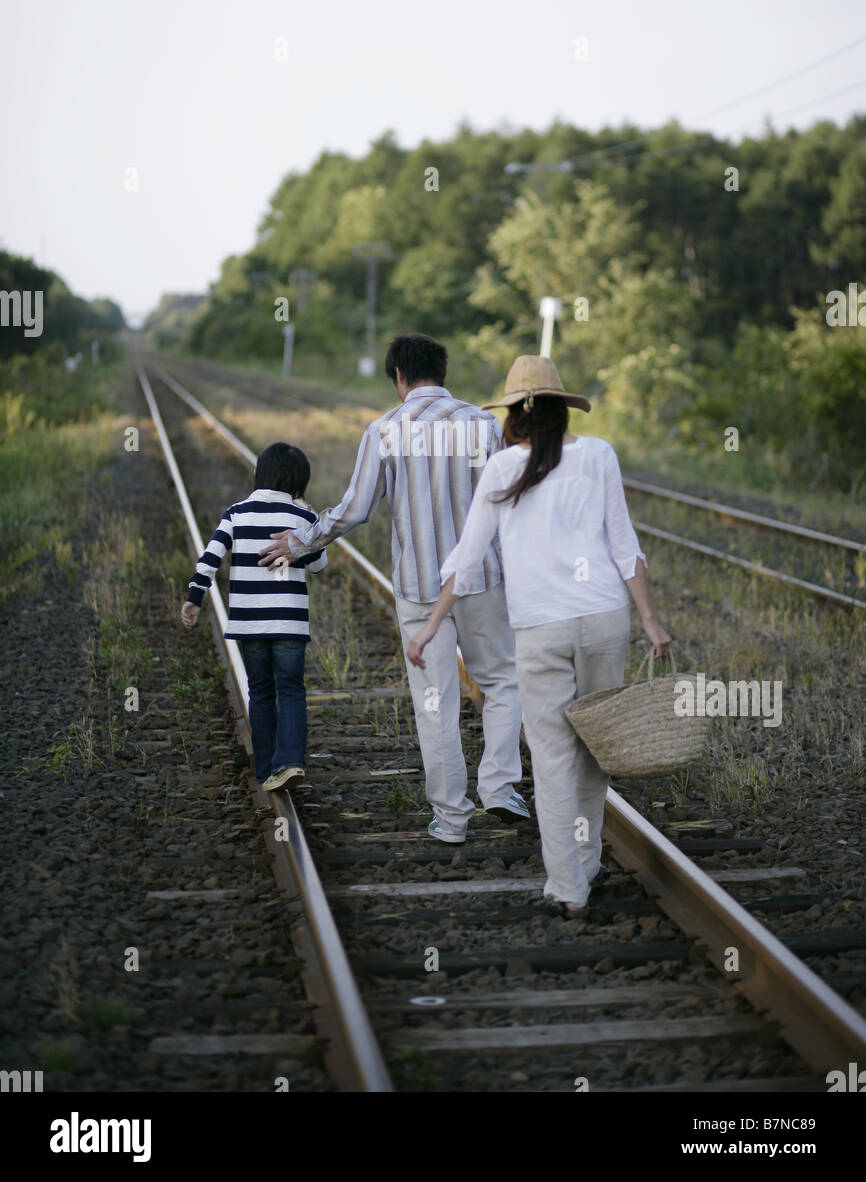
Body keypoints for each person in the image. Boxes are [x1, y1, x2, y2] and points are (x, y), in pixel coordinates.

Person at [406, 355, 671, 915]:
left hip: (541, 629)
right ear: (560, 410)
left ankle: (568, 887)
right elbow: (626, 548)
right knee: (596, 748)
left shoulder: (502, 470)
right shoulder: (598, 455)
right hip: (604, 619)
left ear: (514, 417)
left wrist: (432, 625)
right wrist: (650, 620)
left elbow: (467, 558)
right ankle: (588, 859)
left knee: (551, 757)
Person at [258, 332, 527, 844]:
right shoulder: (484, 424)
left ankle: (451, 820)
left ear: (399, 378)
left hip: (419, 585)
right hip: (482, 578)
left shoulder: (385, 430)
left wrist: (299, 540)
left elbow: (355, 509)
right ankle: (498, 787)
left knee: (435, 703)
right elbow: (511, 500)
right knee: (501, 682)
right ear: (441, 374)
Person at [181, 442, 327, 792]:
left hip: (249, 624)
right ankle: (290, 761)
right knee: (291, 689)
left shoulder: (236, 513)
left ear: (257, 474)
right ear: (299, 481)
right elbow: (321, 565)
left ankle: (265, 771)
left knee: (261, 692)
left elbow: (210, 558)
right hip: (289, 622)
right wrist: (311, 519)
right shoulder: (303, 518)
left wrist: (194, 597)